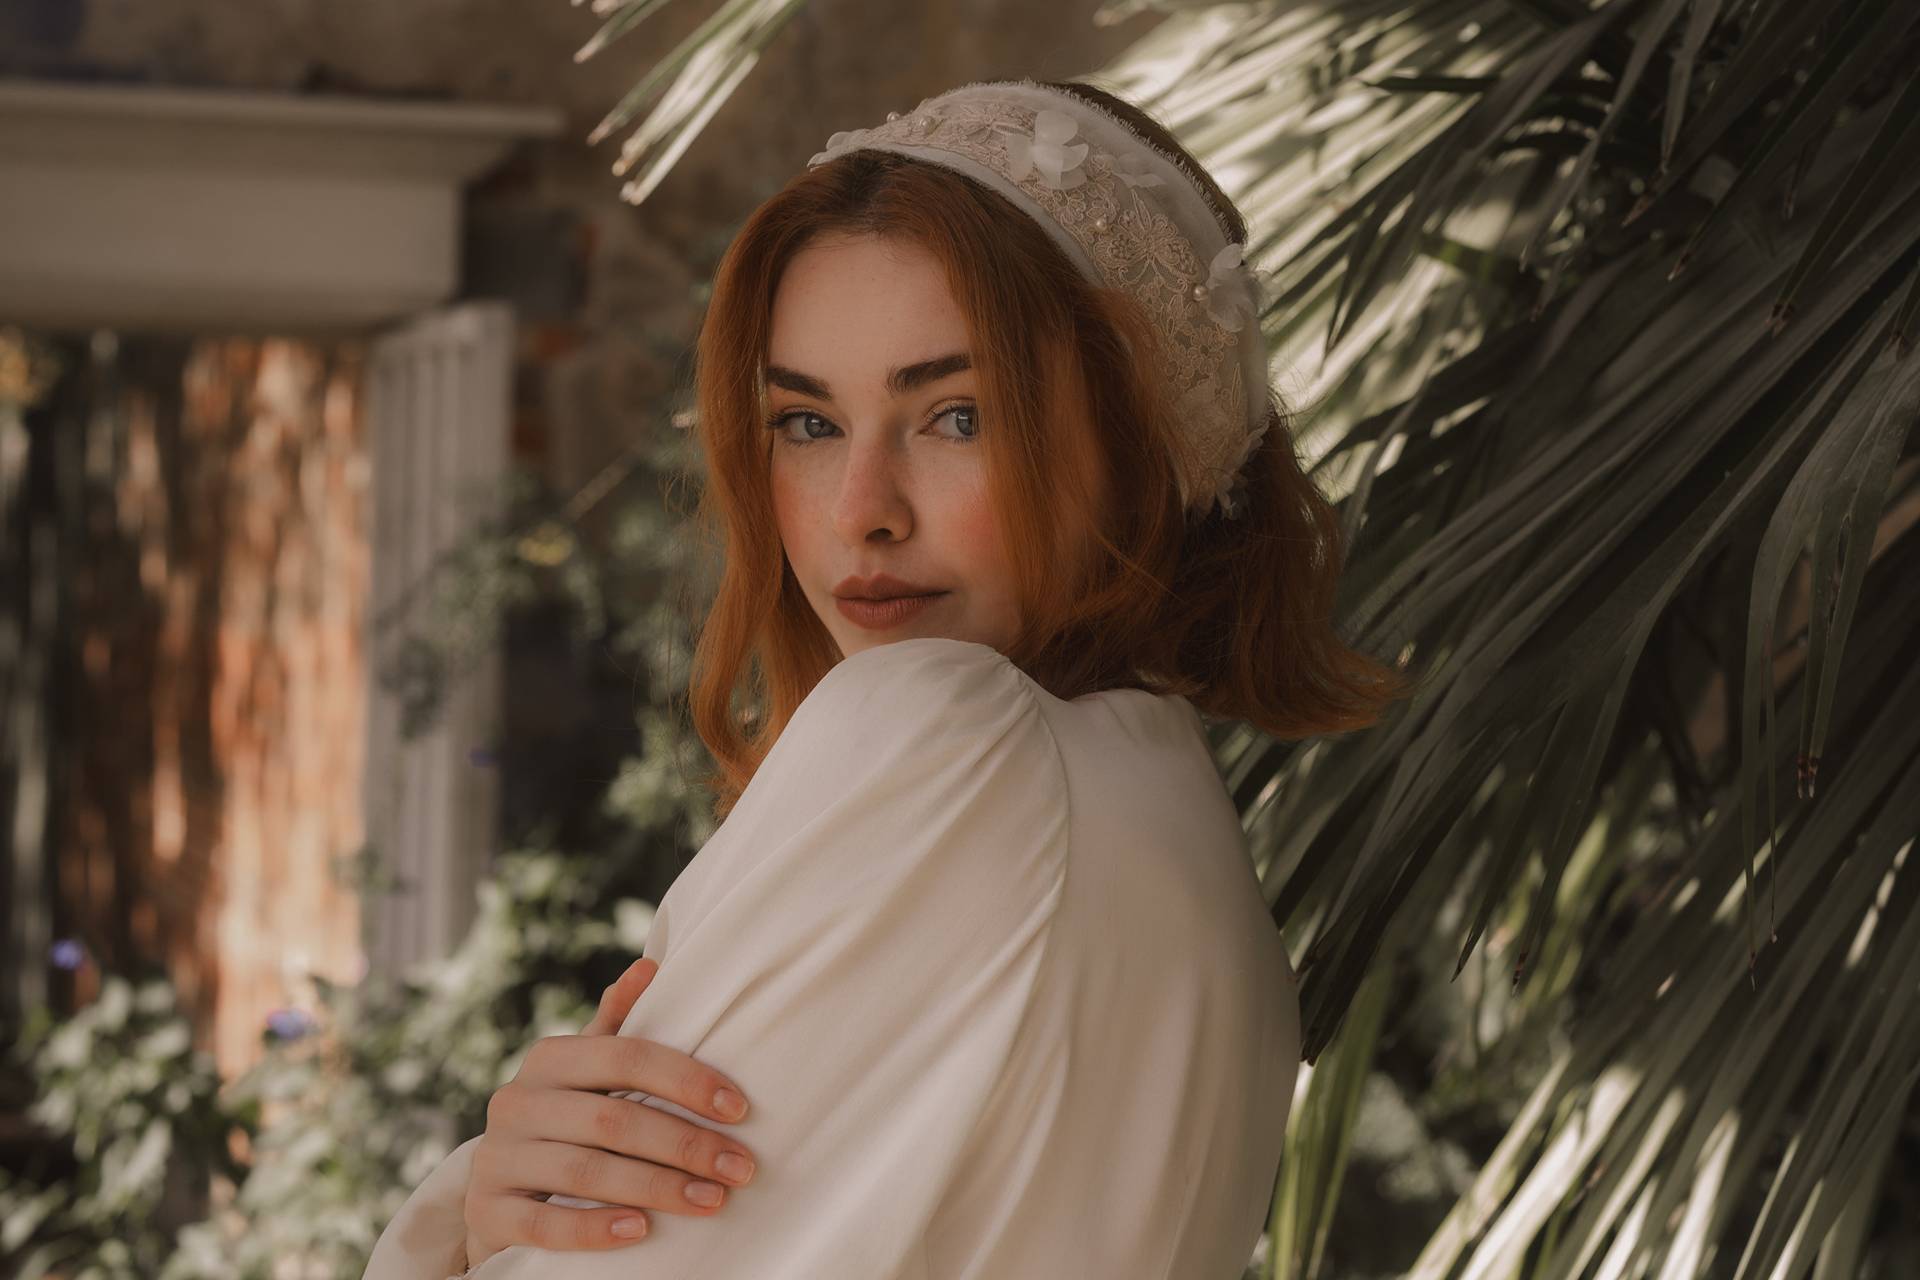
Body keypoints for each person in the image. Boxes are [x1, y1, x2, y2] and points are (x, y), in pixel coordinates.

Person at [362, 75, 1407, 1280]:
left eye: (957, 416)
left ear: (1136, 437)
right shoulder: (1192, 860)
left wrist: (468, 1228)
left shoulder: (946, 740)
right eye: (807, 424)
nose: (862, 513)